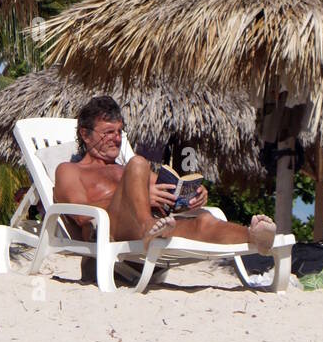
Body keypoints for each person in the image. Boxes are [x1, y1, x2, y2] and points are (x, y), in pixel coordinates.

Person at [54, 95, 277, 253]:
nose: (116, 138)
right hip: (110, 230)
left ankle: (253, 237)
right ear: (85, 134)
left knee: (203, 220)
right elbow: (83, 216)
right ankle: (146, 225)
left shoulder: (123, 170)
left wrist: (193, 195)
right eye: (108, 132)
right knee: (139, 162)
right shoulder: (69, 170)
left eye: (119, 131)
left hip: (154, 228)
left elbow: (168, 191)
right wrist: (138, 198)